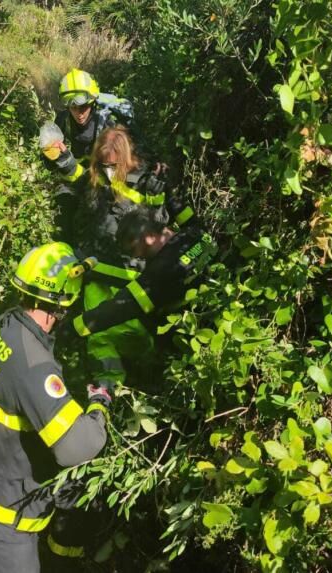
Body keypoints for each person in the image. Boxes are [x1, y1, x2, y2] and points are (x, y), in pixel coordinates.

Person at [0, 242, 114, 573]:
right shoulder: (36, 367)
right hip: (5, 512)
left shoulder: (5, 325)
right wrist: (100, 405)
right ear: (66, 297)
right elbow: (76, 448)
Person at [75, 126, 193, 391]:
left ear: (125, 158)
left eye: (112, 165)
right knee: (99, 334)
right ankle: (109, 391)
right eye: (102, 164)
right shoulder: (96, 180)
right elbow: (87, 218)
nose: (107, 170)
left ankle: (149, 383)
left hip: (133, 272)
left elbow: (157, 225)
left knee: (139, 336)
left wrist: (155, 198)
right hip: (99, 271)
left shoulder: (145, 179)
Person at [72, 206, 215, 338]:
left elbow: (120, 308)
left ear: (149, 236)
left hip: (203, 331)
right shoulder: (196, 232)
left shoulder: (160, 272)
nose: (135, 257)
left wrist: (74, 327)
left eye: (133, 249)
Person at [41, 68, 134, 239]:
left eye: (83, 106)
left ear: (92, 101)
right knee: (62, 214)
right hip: (75, 180)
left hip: (107, 181)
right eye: (73, 106)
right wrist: (49, 155)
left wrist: (68, 163)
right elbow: (49, 164)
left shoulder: (108, 123)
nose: (79, 112)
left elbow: (114, 177)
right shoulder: (63, 120)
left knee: (106, 223)